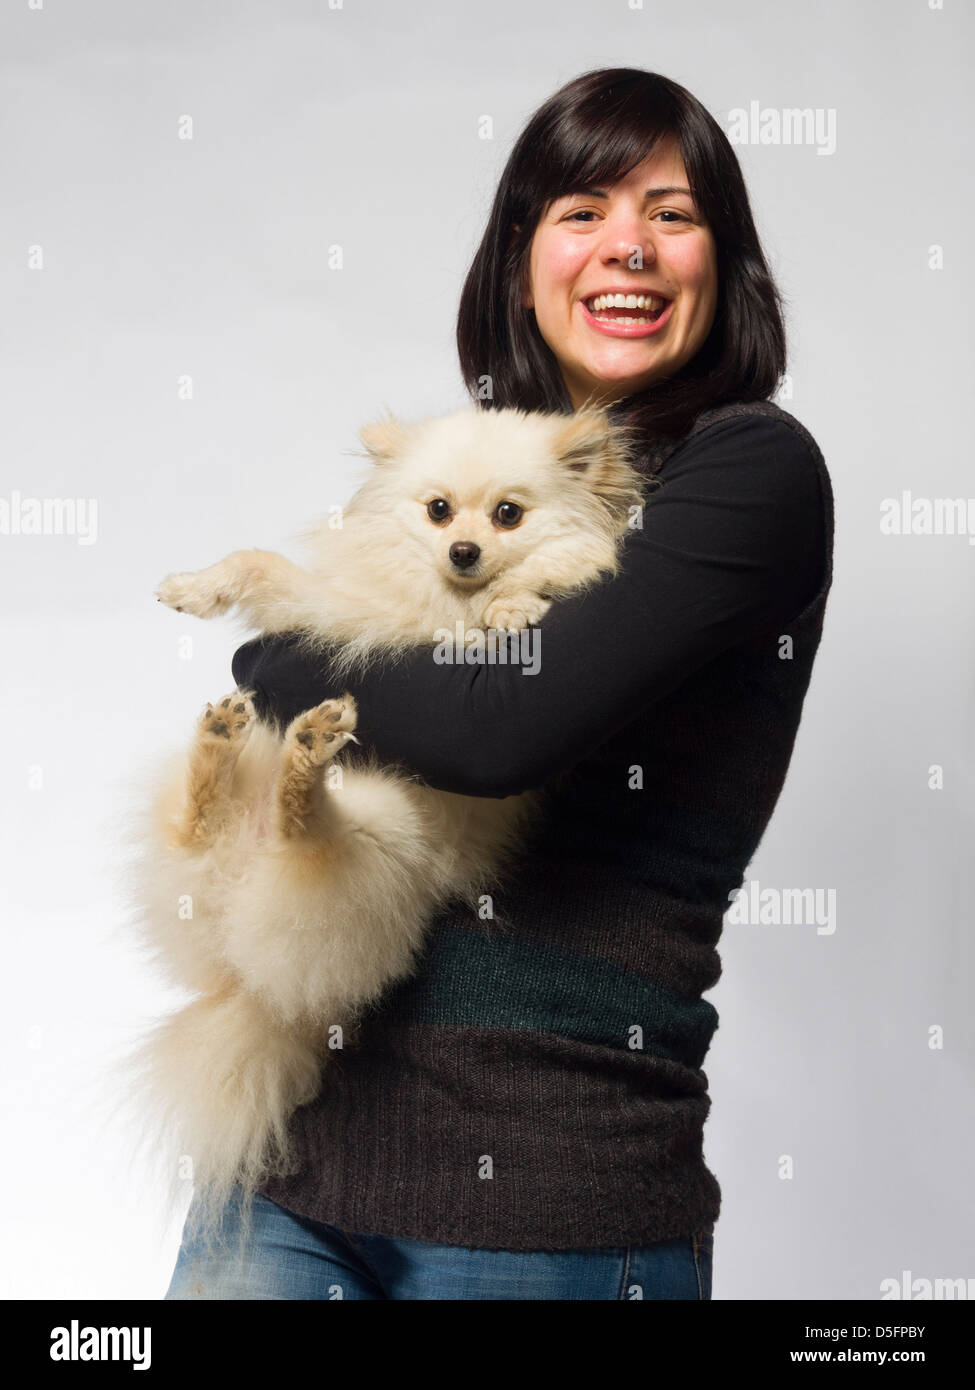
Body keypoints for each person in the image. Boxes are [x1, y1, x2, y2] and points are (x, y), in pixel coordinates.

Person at [165, 66, 834, 1301]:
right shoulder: (474, 460)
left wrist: (270, 652)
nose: (626, 242)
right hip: (294, 1166)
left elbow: (496, 723)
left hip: (551, 1204)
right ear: (520, 256)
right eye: (581, 209)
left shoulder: (750, 470)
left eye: (672, 213)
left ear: (722, 263)